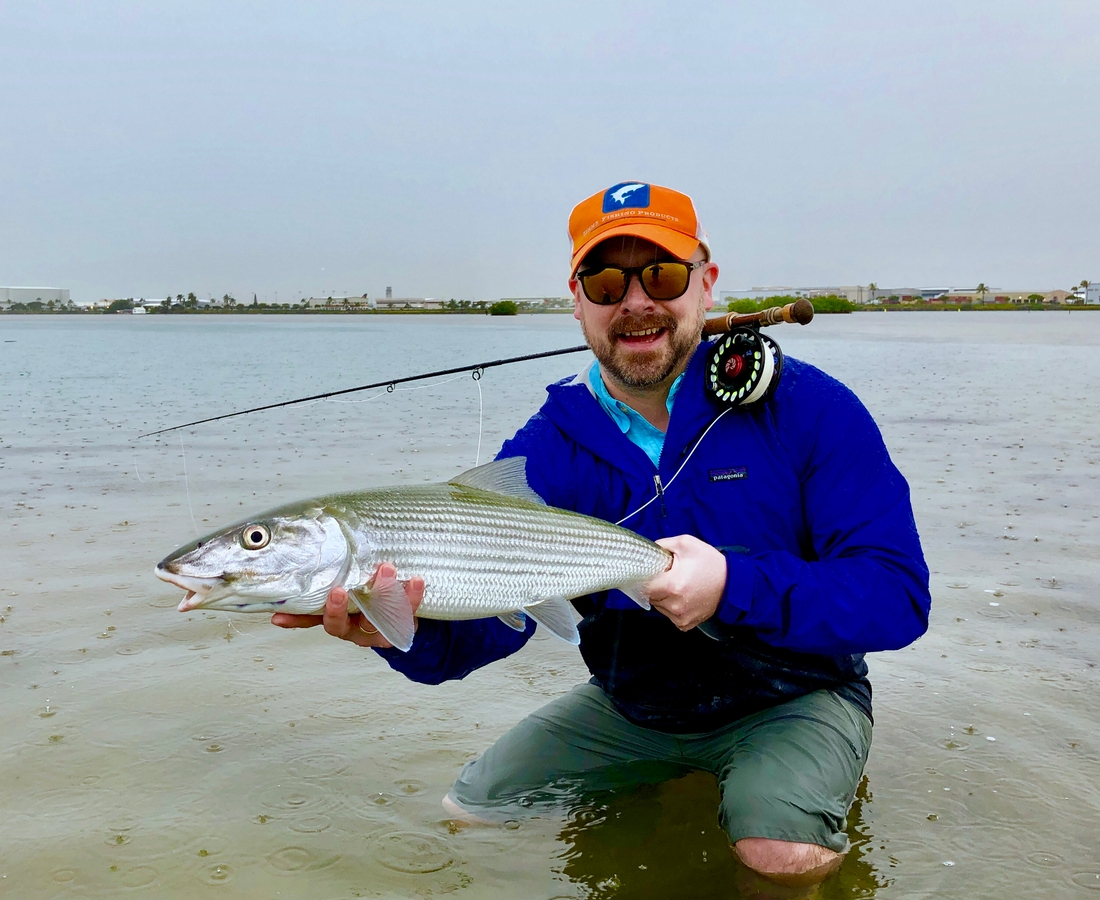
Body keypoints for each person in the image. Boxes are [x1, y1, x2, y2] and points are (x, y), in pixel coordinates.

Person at [273, 181, 930, 885]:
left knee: (782, 856)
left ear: (705, 286)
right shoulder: (549, 447)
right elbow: (494, 625)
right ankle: (677, 777)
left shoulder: (809, 408)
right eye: (608, 280)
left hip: (795, 694)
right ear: (578, 300)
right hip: (637, 706)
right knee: (472, 811)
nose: (636, 301)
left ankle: (802, 777)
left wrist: (734, 587)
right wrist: (398, 627)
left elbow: (896, 597)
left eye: (664, 275)